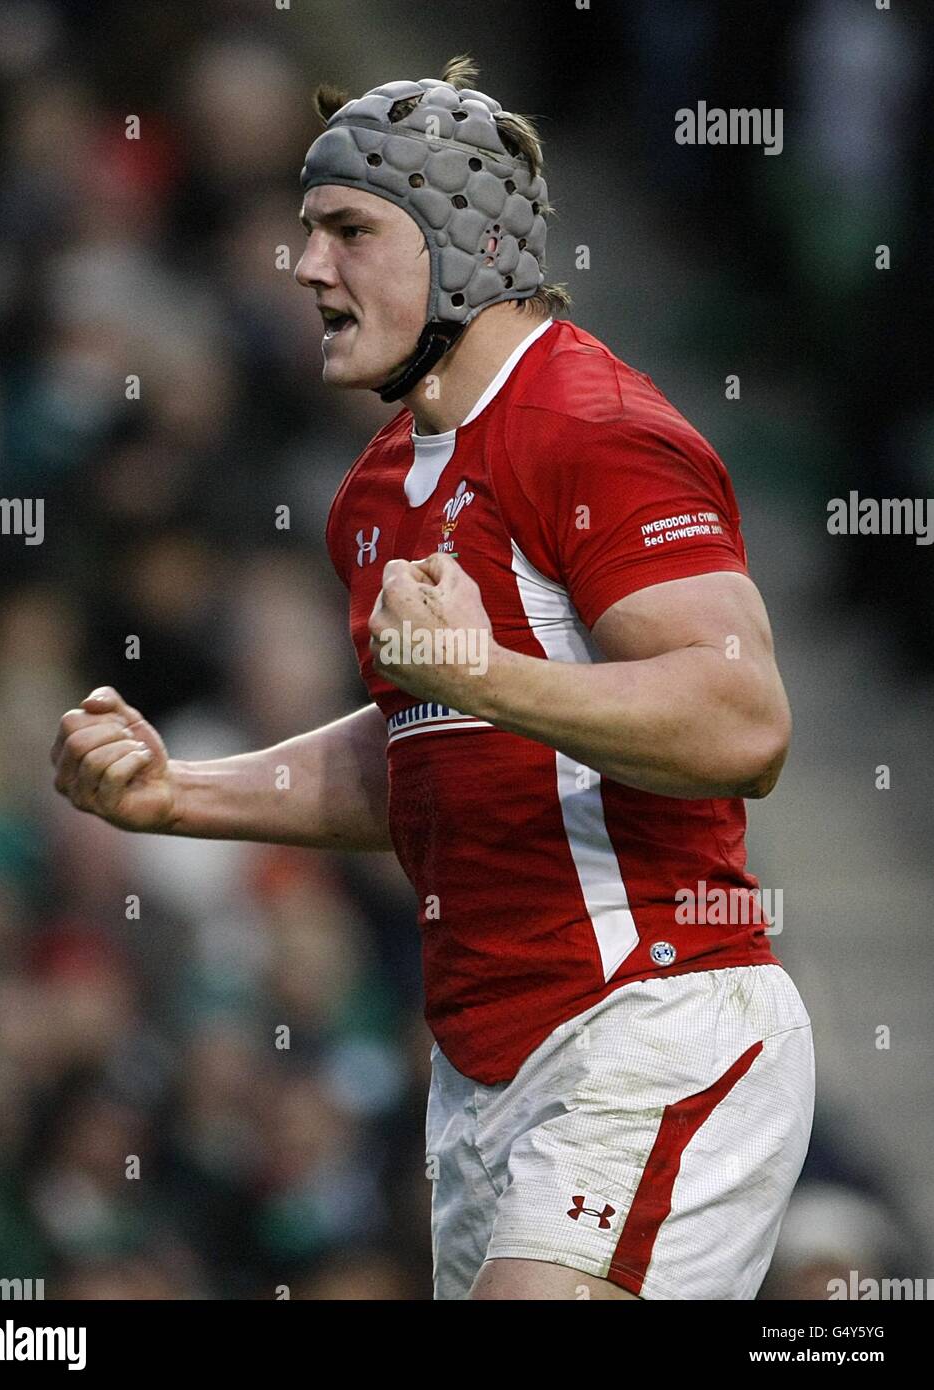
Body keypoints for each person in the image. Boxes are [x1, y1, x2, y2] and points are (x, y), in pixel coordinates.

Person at [51, 55, 815, 1301]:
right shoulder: (374, 490)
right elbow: (422, 745)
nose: (306, 269)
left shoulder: (594, 427)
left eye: (350, 231)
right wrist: (181, 796)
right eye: (306, 234)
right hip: (483, 1072)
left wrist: (482, 670)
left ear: (466, 246)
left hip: (652, 1020)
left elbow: (744, 720)